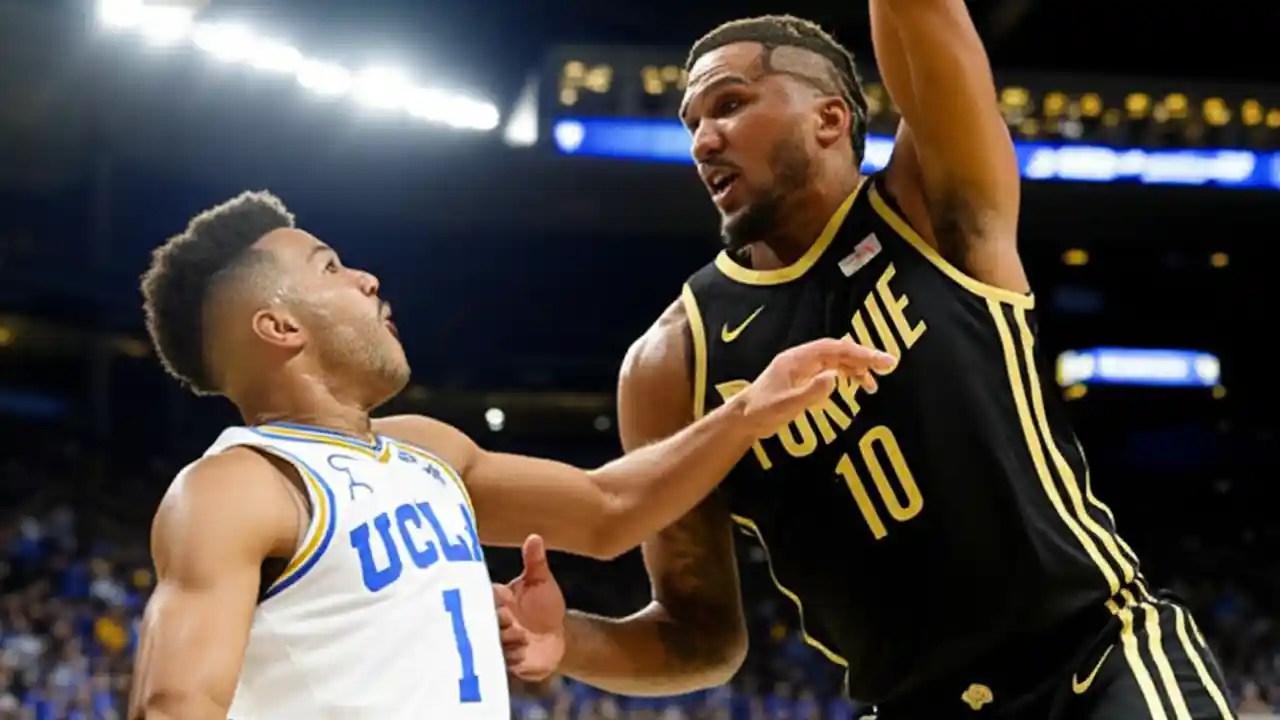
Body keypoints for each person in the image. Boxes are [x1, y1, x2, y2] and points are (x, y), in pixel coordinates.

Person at [496, 9, 1238, 720]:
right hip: (912, 705)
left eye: (729, 105)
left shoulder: (929, 204)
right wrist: (568, 645)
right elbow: (700, 639)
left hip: (1091, 659)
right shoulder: (672, 360)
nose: (703, 141)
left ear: (830, 118)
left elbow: (927, 17)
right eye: (691, 123)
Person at [124, 190, 895, 720]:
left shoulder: (427, 451)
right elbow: (174, 705)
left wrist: (752, 409)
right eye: (329, 267)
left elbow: (607, 511)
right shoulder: (236, 487)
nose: (366, 277)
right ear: (279, 328)